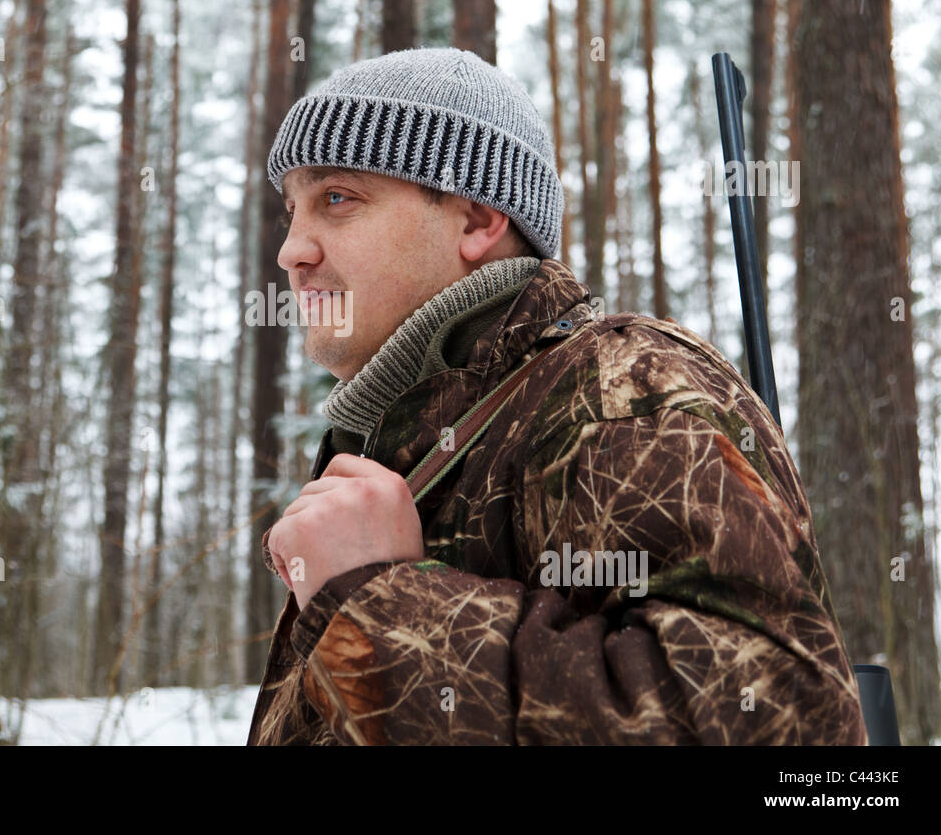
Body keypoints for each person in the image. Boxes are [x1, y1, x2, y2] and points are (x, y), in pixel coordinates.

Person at [245, 46, 867, 745]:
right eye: (291, 211)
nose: (292, 250)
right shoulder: (396, 448)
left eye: (337, 199)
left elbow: (784, 726)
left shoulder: (625, 387)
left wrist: (380, 599)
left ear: (478, 221)